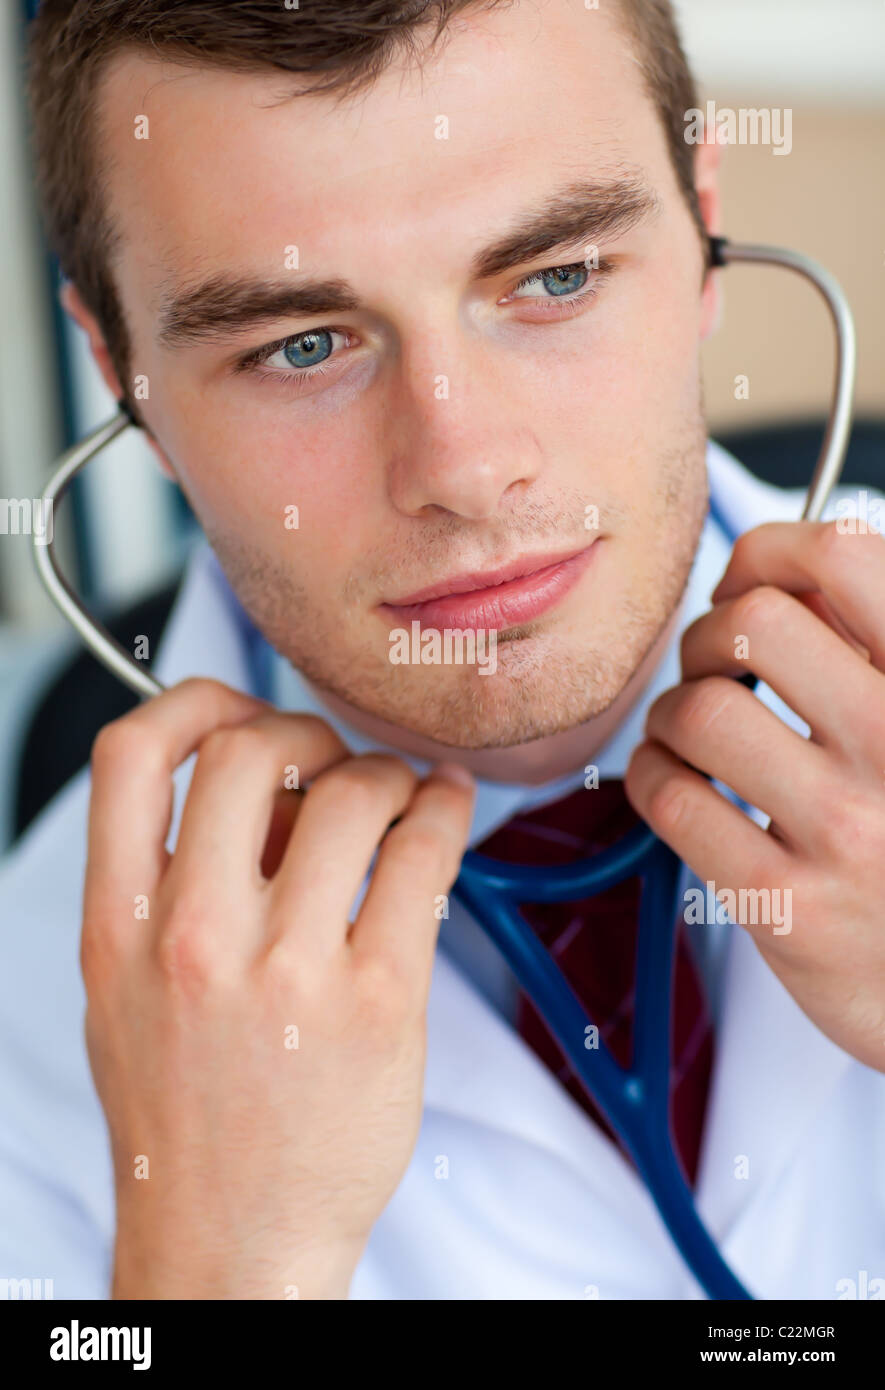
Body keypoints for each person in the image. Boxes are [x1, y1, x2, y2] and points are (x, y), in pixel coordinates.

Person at [2, 0, 883, 1301]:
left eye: (556, 277)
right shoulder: (33, 1011)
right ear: (118, 371)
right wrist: (204, 1268)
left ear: (701, 227)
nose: (465, 472)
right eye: (299, 347)